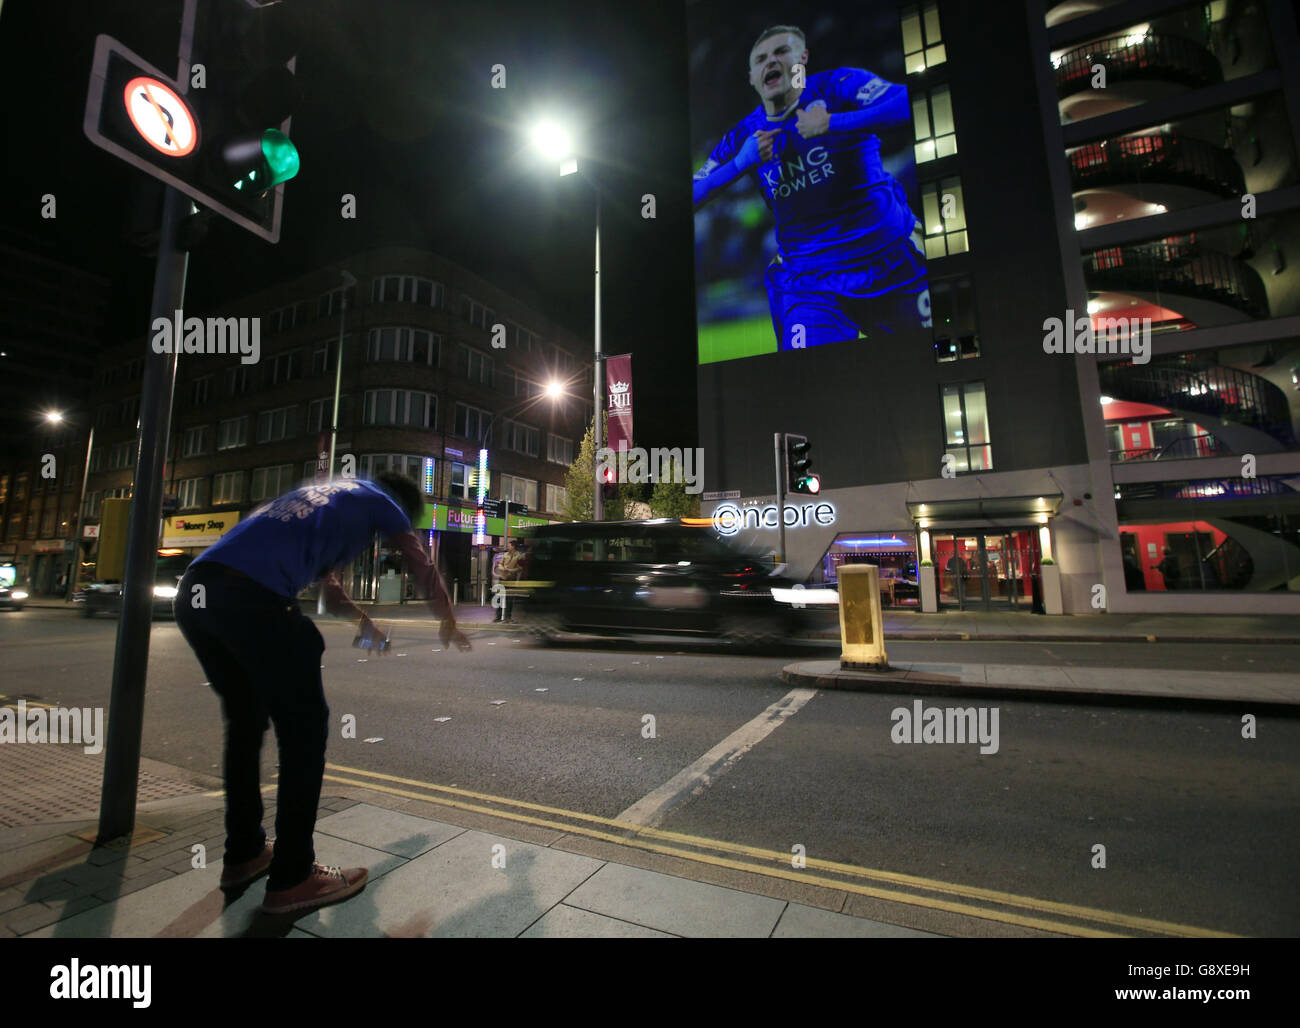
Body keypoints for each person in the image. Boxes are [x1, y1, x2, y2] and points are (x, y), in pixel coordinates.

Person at [173, 473, 470, 916]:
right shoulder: (380, 500)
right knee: (304, 732)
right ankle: (293, 876)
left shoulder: (324, 504)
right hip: (254, 601)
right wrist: (447, 617)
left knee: (245, 723)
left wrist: (364, 623)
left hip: (196, 595)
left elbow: (329, 592)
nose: (388, 538)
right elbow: (420, 563)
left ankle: (245, 852)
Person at [692, 24, 926, 350]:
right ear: (752, 76)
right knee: (814, 387)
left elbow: (906, 103)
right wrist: (739, 164)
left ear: (802, 58)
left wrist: (833, 123)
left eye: (781, 52)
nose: (770, 61)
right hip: (810, 286)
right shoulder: (744, 137)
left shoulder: (839, 86)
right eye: (761, 59)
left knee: (933, 366)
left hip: (892, 263)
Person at [496, 537, 526, 622]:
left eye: (509, 546)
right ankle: (498, 616)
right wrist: (502, 568)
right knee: (499, 597)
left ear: (513, 547)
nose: (508, 547)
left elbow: (520, 568)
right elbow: (500, 564)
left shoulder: (519, 556)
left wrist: (510, 570)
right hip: (502, 578)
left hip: (511, 579)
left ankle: (508, 617)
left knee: (509, 599)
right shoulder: (505, 555)